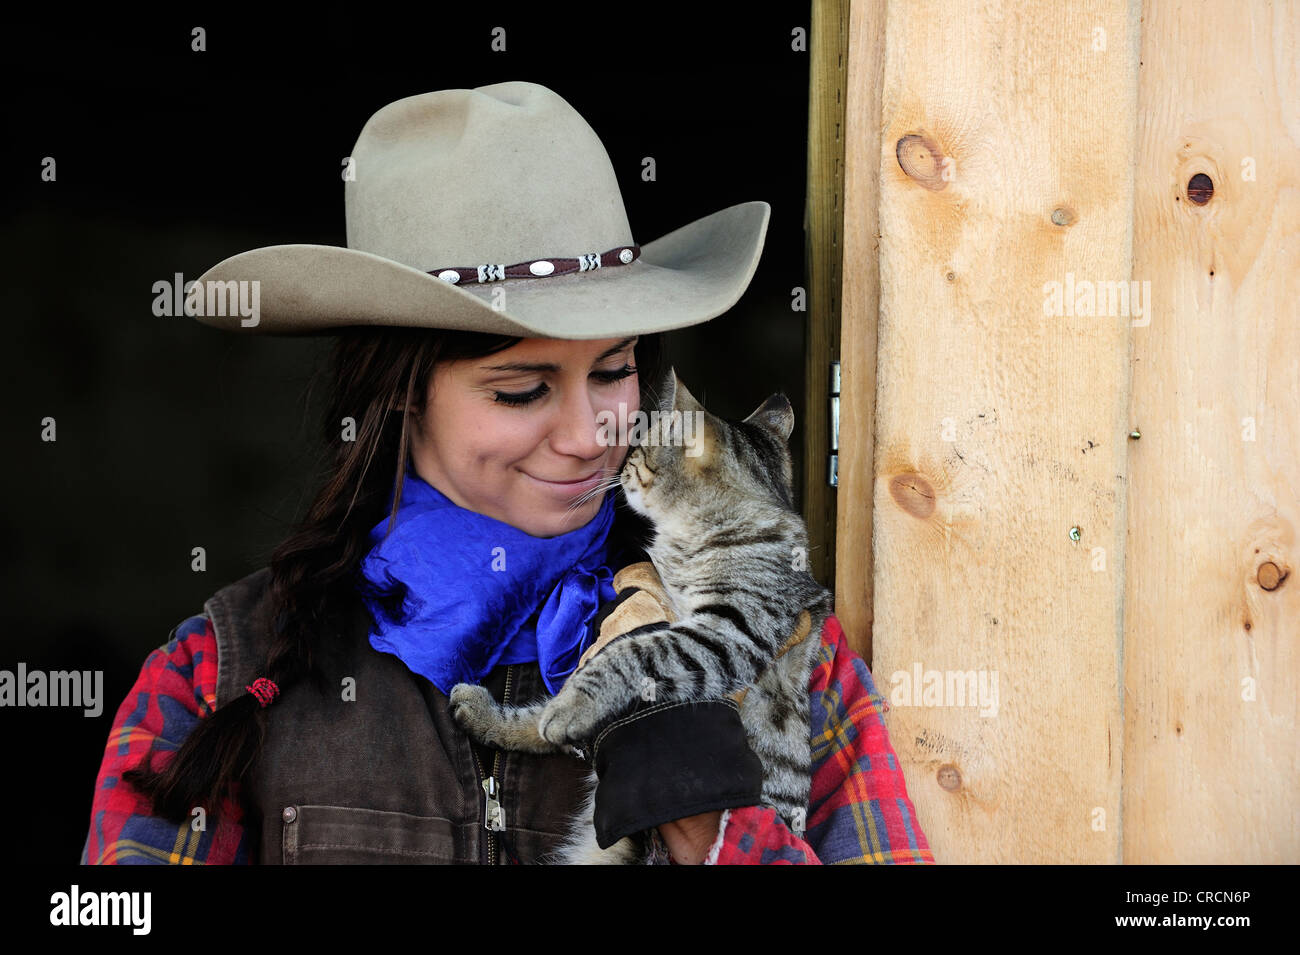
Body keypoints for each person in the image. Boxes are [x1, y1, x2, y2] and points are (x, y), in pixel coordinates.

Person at [81, 81, 933, 865]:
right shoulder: (220, 671)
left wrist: (715, 828)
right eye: (522, 388)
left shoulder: (790, 656)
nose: (587, 436)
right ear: (401, 398)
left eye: (613, 372)